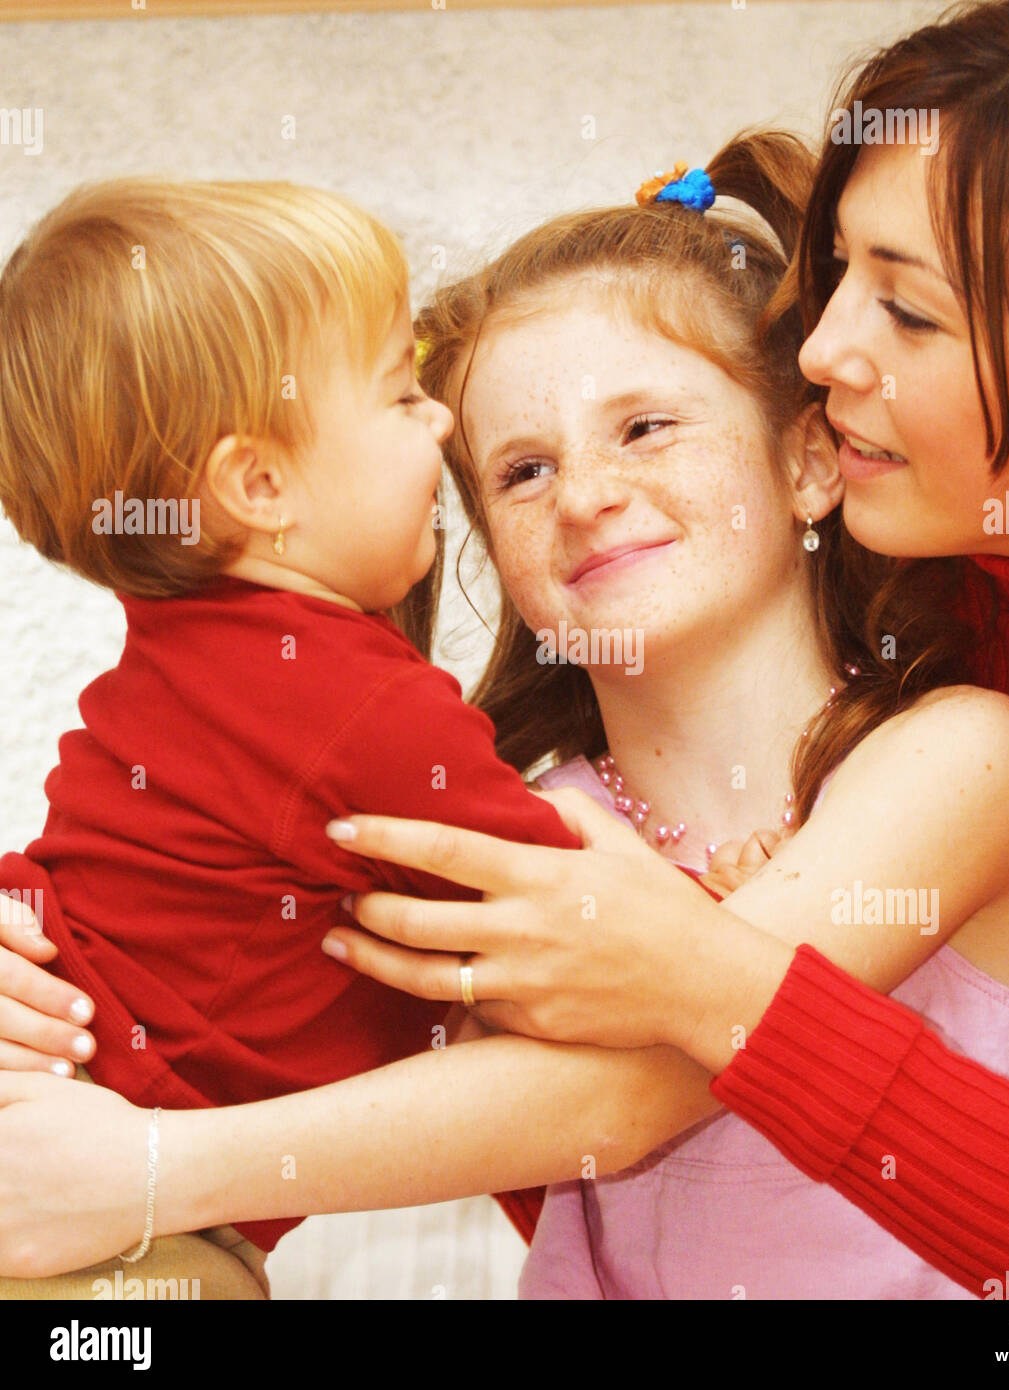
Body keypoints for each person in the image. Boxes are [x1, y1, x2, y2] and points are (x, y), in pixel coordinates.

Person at [0, 130, 1009, 1299]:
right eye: (519, 470)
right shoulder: (513, 825)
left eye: (645, 426)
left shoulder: (954, 758)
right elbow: (194, 925)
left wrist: (148, 1170)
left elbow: (626, 1085)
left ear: (811, 459)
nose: (585, 493)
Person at [0, 176, 728, 1295]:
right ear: (260, 483)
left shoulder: (191, 660)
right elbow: (576, 940)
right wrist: (728, 905)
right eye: (400, 398)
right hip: (102, 1214)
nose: (439, 425)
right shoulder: (350, 703)